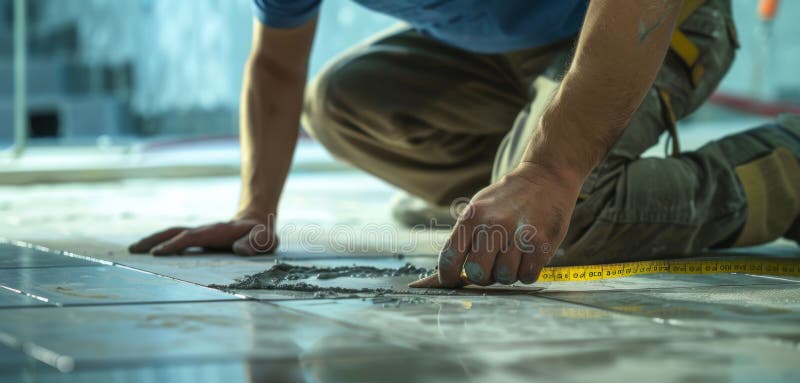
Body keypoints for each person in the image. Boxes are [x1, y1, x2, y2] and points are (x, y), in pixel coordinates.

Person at [130, 0, 800, 288]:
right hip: (502, 53)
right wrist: (256, 211)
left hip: (654, 21)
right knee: (340, 105)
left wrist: (553, 171)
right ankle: (507, 183)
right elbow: (276, 66)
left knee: (556, 225)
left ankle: (789, 169)